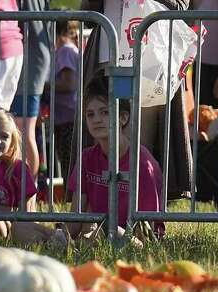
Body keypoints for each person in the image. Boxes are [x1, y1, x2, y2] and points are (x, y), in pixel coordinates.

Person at [81, 0, 193, 198]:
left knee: (141, 144)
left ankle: (144, 217)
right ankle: (108, 213)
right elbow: (88, 10)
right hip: (106, 59)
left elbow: (181, 8)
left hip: (149, 65)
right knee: (106, 140)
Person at [65, 88, 164, 245]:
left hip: (136, 237)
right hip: (95, 230)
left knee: (106, 230)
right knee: (25, 230)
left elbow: (147, 229)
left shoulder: (143, 163)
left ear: (123, 118)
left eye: (105, 112)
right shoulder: (86, 157)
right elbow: (75, 218)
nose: (96, 119)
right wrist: (60, 237)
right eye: (90, 114)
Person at [0, 110, 66, 246]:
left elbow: (25, 215)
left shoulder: (18, 168)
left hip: (11, 228)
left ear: (12, 141)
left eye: (4, 136)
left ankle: (54, 238)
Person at [1, 0, 51, 177]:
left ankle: (26, 194)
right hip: (37, 57)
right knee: (25, 130)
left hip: (26, 61)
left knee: (23, 131)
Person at [47, 18, 81, 184]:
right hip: (64, 117)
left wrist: (42, 86)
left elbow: (69, 83)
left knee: (70, 162)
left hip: (69, 117)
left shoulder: (66, 51)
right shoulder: (65, 50)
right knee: (67, 161)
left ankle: (74, 198)